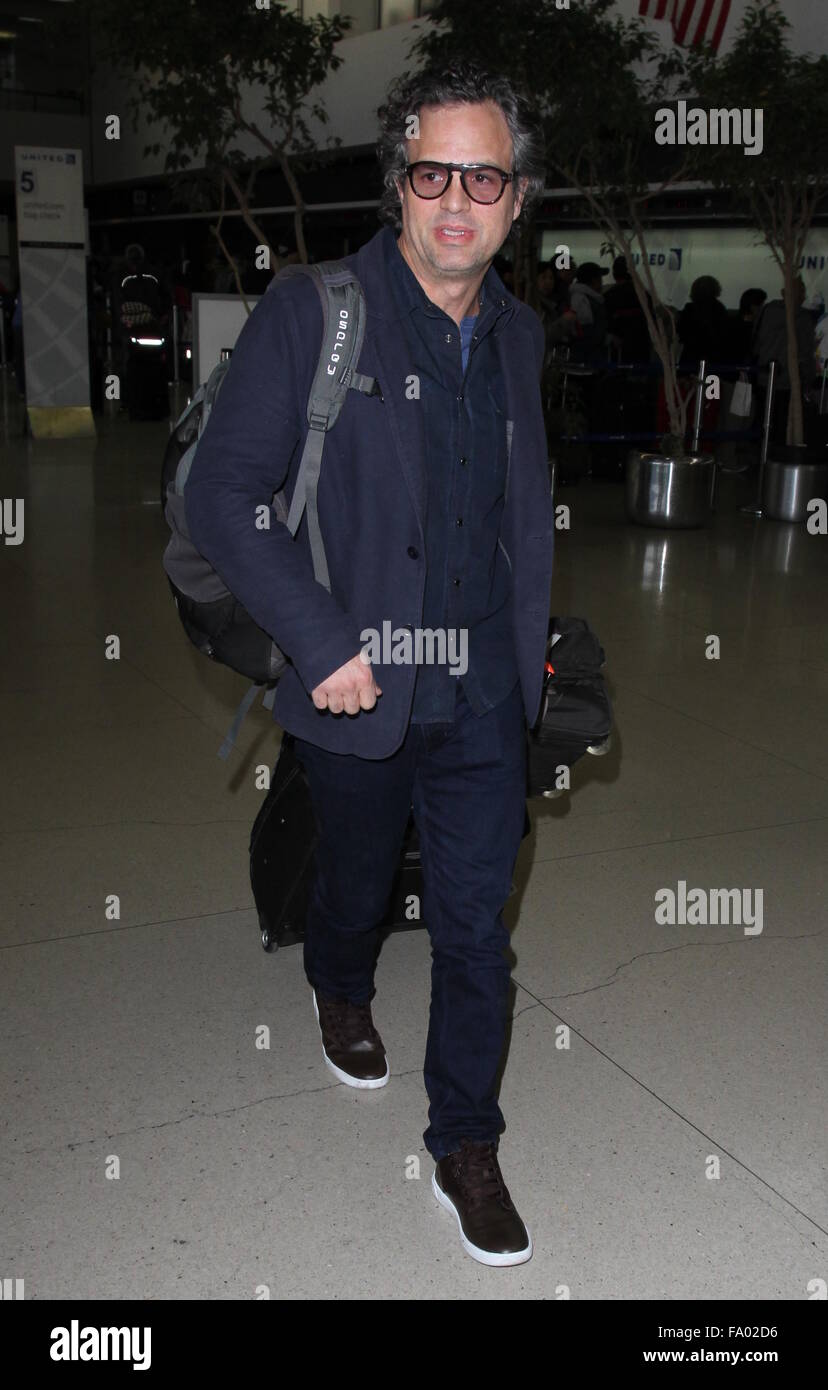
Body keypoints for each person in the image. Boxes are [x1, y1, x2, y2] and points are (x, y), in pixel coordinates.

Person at [184, 61, 554, 1267]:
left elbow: (515, 510)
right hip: (357, 684)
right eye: (433, 173)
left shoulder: (520, 336)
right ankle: (340, 983)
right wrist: (321, 635)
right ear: (401, 185)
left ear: (516, 197)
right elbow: (223, 497)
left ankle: (466, 1143)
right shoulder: (317, 309)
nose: (458, 199)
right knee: (351, 876)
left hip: (486, 692)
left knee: (472, 928)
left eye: (483, 176)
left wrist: (534, 655)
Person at [753, 276, 818, 445]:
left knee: (763, 421)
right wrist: (808, 379)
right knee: (782, 427)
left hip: (764, 376)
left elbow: (757, 341)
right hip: (788, 381)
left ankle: (760, 456)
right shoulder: (803, 318)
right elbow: (805, 352)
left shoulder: (767, 310)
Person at [603, 254, 651, 365]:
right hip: (640, 342)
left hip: (618, 345)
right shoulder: (643, 294)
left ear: (614, 273)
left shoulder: (609, 294)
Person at [568, 261, 609, 364]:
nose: (601, 282)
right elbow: (583, 332)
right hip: (585, 360)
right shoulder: (581, 299)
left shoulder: (588, 298)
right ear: (594, 280)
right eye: (600, 279)